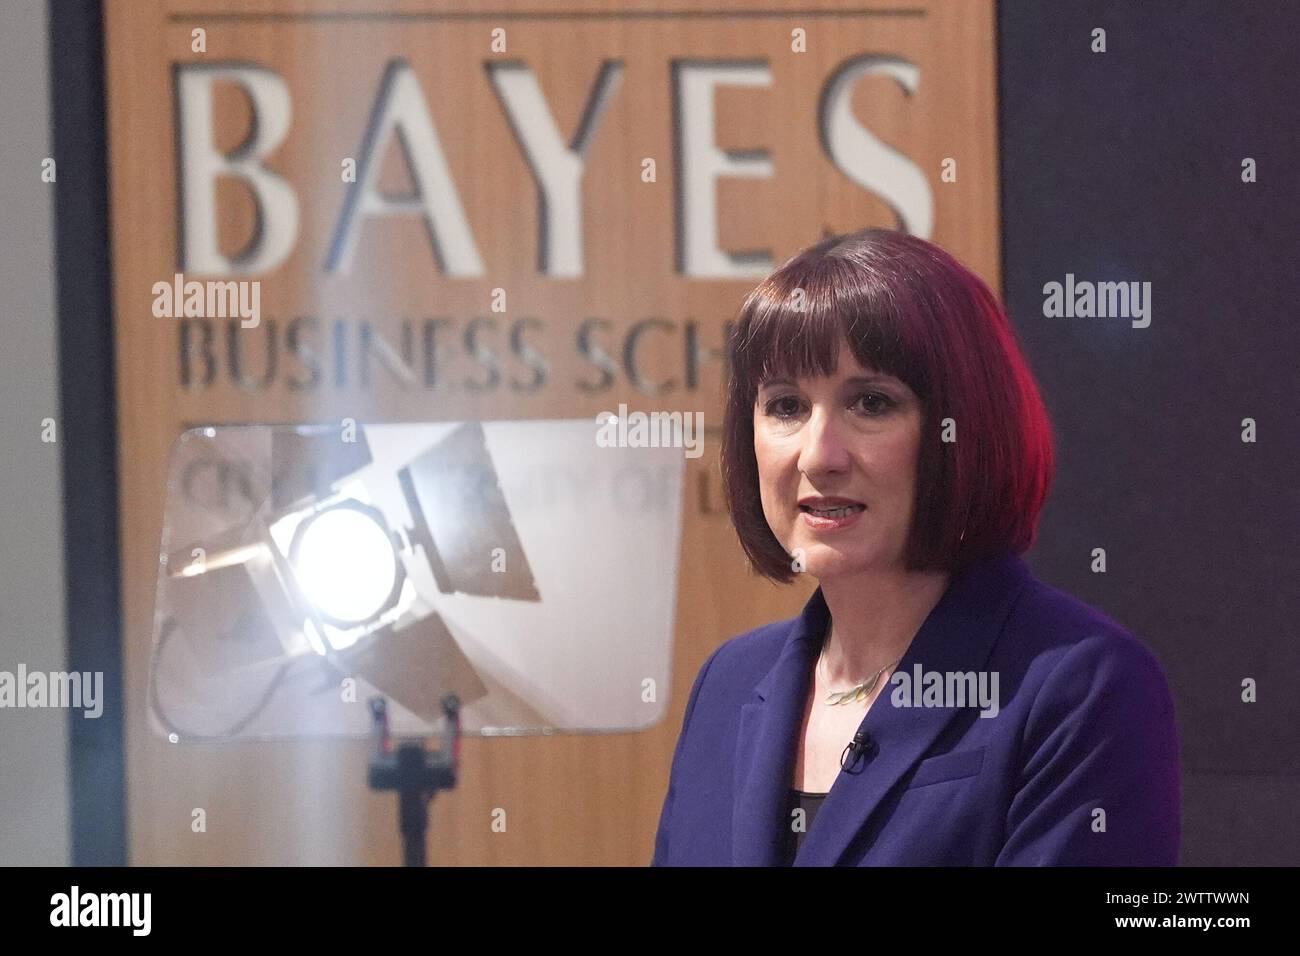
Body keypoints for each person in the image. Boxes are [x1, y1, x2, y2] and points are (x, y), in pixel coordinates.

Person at [651, 228, 1180, 866]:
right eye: (786, 406)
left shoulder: (1082, 687)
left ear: (966, 428)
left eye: (871, 403)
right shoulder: (728, 682)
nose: (820, 456)